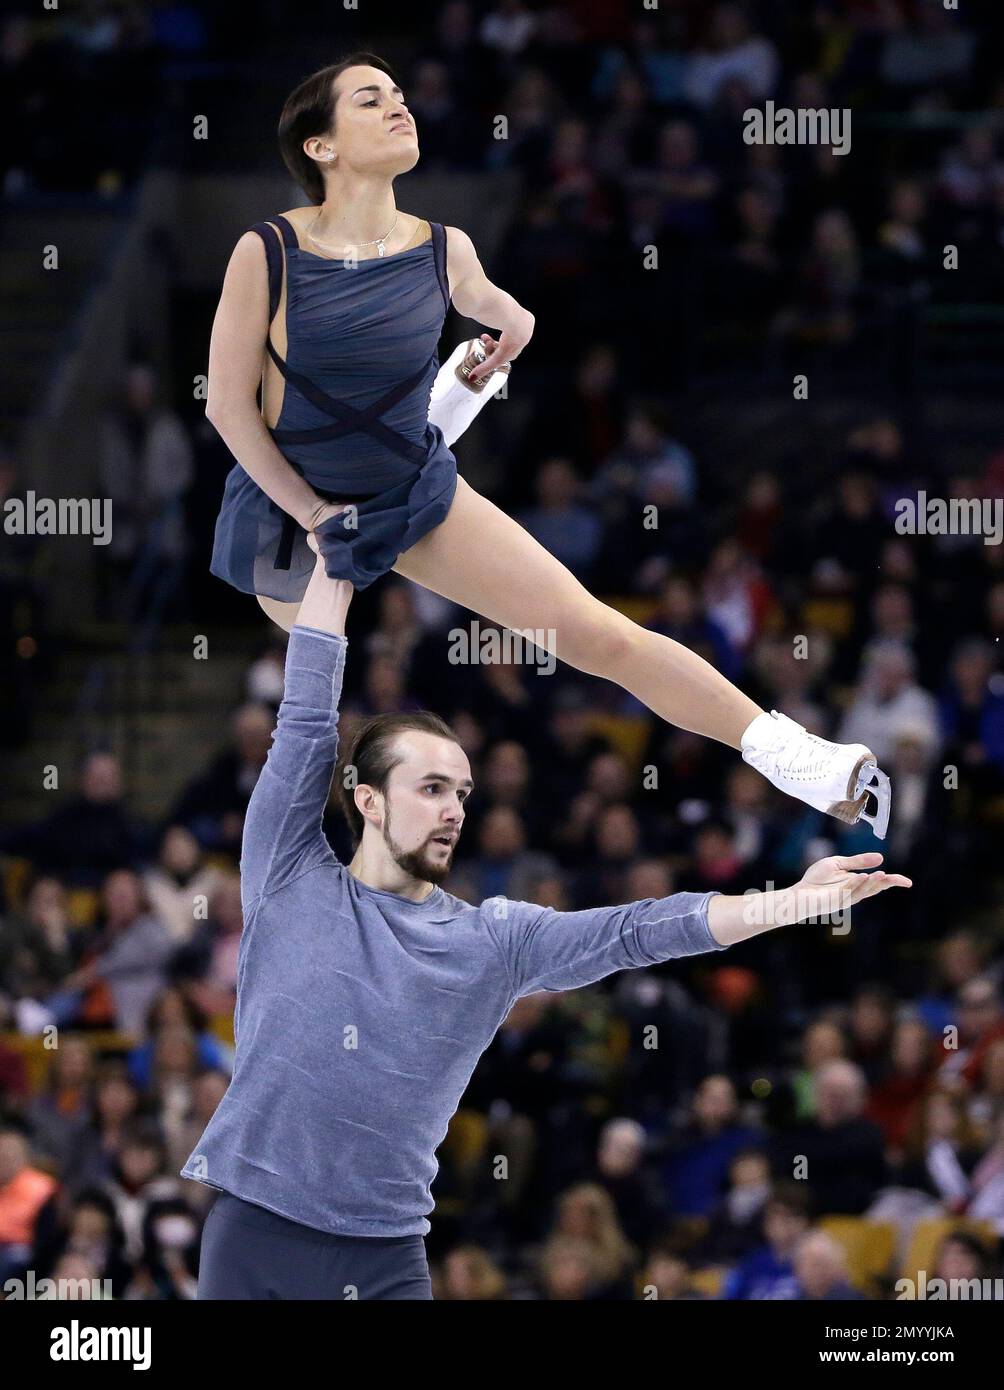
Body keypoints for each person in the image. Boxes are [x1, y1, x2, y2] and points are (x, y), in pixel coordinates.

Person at [183, 538, 909, 1300]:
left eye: (462, 793)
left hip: (383, 1256)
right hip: (252, 1233)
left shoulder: (493, 939)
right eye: (432, 788)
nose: (455, 811)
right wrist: (331, 552)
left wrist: (796, 902)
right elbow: (304, 723)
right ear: (367, 800)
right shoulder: (287, 868)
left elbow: (641, 930)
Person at [203, 51, 891, 837]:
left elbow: (507, 317)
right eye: (371, 100)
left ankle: (790, 755)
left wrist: (504, 341)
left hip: (407, 492)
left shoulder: (444, 247)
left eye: (400, 94)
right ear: (321, 146)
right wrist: (316, 512)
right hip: (294, 512)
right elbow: (227, 406)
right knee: (323, 688)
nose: (400, 106)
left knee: (598, 634)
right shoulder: (267, 251)